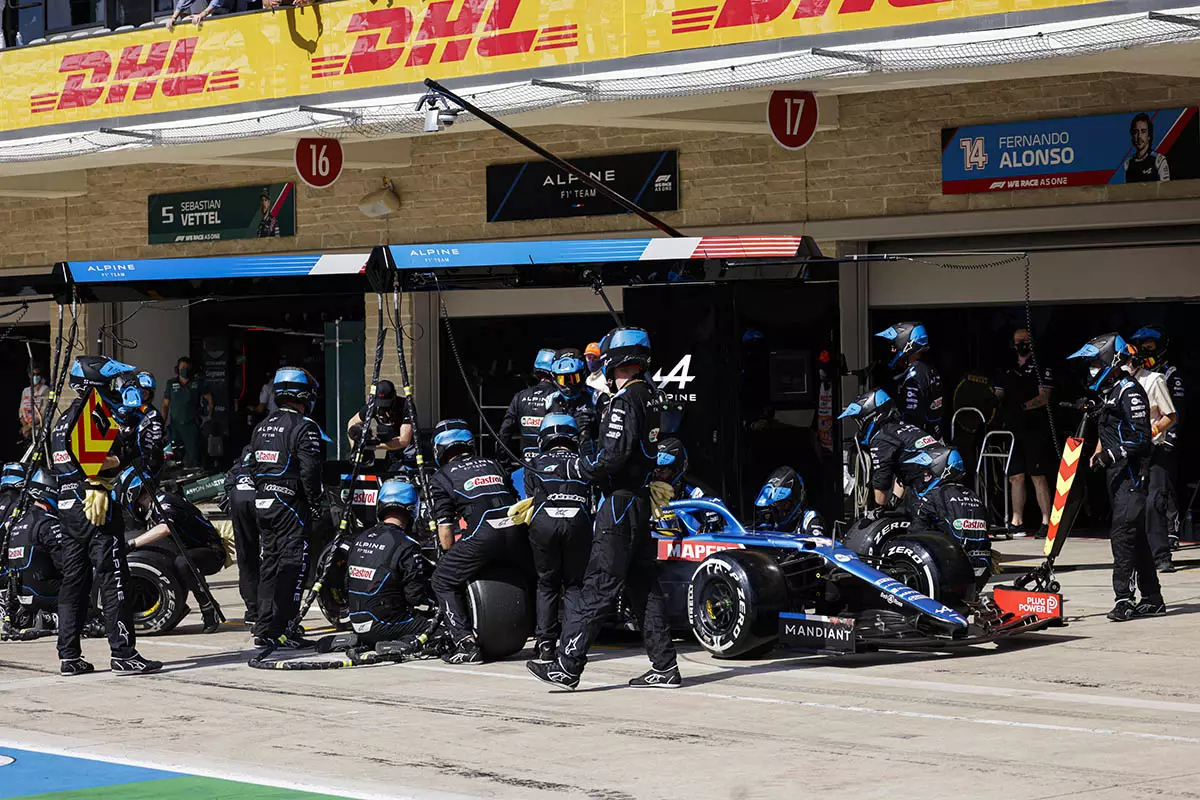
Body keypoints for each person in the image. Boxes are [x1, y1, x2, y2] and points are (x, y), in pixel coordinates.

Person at [527, 327, 679, 691]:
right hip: (641, 501)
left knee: (599, 584)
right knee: (644, 585)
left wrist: (576, 467)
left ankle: (567, 664)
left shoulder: (624, 401)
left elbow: (612, 457)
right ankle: (665, 666)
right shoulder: (651, 396)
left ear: (615, 362)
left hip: (620, 504)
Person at [51, 355, 160, 675]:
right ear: (95, 386)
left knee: (74, 579)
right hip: (93, 502)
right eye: (109, 385)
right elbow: (97, 460)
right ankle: (124, 653)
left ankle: (69, 655)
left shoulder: (61, 421)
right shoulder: (91, 413)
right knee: (114, 577)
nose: (116, 390)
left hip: (67, 504)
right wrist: (128, 448)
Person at [1067, 333, 1164, 622]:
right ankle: (1152, 597)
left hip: (1133, 475)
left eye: (1096, 362)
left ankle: (1124, 598)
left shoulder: (1130, 391)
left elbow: (1143, 438)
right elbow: (1113, 423)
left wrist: (1112, 454)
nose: (1092, 368)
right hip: (1118, 477)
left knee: (1122, 536)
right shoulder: (1111, 391)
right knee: (1135, 538)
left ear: (1113, 360)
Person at [427, 419, 524, 665]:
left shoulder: (441, 477)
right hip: (517, 534)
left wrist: (454, 554)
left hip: (482, 536)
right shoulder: (494, 465)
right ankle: (548, 639)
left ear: (439, 449)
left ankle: (465, 643)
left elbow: (446, 537)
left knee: (442, 579)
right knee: (539, 576)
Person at [247, 367, 326, 650]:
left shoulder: (261, 426)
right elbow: (310, 470)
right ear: (303, 395)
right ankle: (284, 629)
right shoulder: (304, 426)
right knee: (293, 566)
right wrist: (316, 504)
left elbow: (253, 466)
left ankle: (265, 625)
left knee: (269, 564)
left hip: (264, 504)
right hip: (291, 505)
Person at [119, 467, 225, 634]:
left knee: (182, 563)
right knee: (174, 559)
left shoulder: (164, 501)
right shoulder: (152, 507)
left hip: (210, 551)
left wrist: (132, 544)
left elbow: (165, 529)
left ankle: (208, 606)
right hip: (184, 550)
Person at [522, 414, 592, 664]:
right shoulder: (585, 461)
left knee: (547, 584)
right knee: (574, 585)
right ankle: (572, 644)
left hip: (544, 521)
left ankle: (545, 645)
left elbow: (528, 496)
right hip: (578, 521)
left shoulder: (534, 462)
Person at [346, 479, 435, 647]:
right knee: (444, 626)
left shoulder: (360, 538)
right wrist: (433, 602)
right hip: (384, 625)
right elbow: (414, 596)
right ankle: (403, 642)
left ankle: (364, 639)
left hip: (356, 622)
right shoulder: (407, 545)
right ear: (412, 509)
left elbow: (347, 584)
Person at [1131, 324, 1184, 570]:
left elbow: (1175, 412)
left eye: (1149, 348)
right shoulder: (1134, 376)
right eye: (1142, 348)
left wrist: (1169, 437)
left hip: (1162, 443)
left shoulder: (1168, 374)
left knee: (1161, 497)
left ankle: (1167, 544)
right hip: (1137, 449)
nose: (1145, 352)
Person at [903, 445, 992, 592]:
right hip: (981, 573)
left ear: (941, 469)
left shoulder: (933, 497)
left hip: (949, 574)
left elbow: (914, 535)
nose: (925, 476)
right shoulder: (974, 496)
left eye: (927, 471)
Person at [995, 328, 1054, 537]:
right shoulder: (1007, 367)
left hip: (1034, 428)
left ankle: (1047, 522)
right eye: (1017, 340)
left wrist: (1022, 407)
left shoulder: (1040, 366)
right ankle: (1016, 521)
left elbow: (1044, 396)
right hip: (1012, 429)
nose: (1021, 344)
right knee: (1015, 476)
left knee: (1038, 475)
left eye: (1025, 340)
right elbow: (998, 394)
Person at [838, 389, 939, 511]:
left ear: (871, 417)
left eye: (860, 422)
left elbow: (881, 489)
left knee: (916, 526)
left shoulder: (882, 439)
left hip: (930, 488)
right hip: (941, 481)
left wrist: (880, 510)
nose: (860, 429)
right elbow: (907, 473)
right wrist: (894, 503)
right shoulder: (904, 428)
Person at [4, 469, 64, 632]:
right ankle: (51, 619)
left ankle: (34, 617)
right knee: (84, 581)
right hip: (46, 594)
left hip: (23, 595)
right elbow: (65, 565)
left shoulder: (16, 523)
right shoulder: (48, 523)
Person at [876, 322, 944, 439]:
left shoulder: (914, 375)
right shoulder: (927, 368)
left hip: (917, 440)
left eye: (894, 345)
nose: (892, 350)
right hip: (933, 434)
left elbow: (911, 416)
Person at [497, 349, 559, 467]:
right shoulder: (560, 397)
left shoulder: (520, 396)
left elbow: (504, 432)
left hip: (527, 463)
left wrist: (504, 463)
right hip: (553, 466)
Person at [223, 445, 260, 624]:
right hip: (262, 503)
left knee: (246, 559)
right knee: (271, 557)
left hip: (239, 503)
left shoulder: (240, 462)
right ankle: (264, 610)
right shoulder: (269, 453)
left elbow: (228, 484)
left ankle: (253, 611)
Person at [346, 379, 414, 471]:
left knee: (400, 474)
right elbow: (352, 422)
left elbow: (404, 440)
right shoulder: (373, 406)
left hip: (409, 450)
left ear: (394, 397)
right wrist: (356, 447)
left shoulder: (406, 406)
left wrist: (373, 446)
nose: (384, 409)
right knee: (387, 474)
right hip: (390, 448)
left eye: (386, 405)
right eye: (381, 405)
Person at [545, 350, 599, 455]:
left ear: (583, 374)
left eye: (574, 379)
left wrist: (595, 423)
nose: (569, 384)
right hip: (561, 456)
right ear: (555, 378)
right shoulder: (550, 400)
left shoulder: (597, 397)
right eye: (562, 379)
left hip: (589, 455)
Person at [162, 356, 212, 469]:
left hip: (191, 425)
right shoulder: (171, 383)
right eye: (182, 367)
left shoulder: (198, 384)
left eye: (187, 367)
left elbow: (210, 400)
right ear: (177, 369)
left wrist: (209, 417)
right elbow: (165, 404)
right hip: (175, 425)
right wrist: (162, 422)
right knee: (170, 453)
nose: (184, 369)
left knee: (193, 456)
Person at [753, 466, 825, 536]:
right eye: (775, 504)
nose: (779, 509)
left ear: (793, 500)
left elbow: (816, 545)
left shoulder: (810, 518)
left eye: (783, 503)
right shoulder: (769, 519)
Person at [1124, 113, 1170, 183]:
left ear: (1149, 136)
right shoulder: (1128, 164)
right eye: (1136, 132)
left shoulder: (1159, 161)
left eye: (1143, 132)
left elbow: (1166, 190)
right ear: (1132, 136)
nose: (1139, 136)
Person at [18, 365, 50, 445]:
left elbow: (43, 413)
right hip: (27, 432)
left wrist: (29, 426)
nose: (35, 377)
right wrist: (25, 426)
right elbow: (21, 411)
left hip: (38, 430)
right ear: (29, 375)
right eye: (33, 374)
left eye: (37, 374)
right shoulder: (26, 391)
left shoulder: (45, 390)